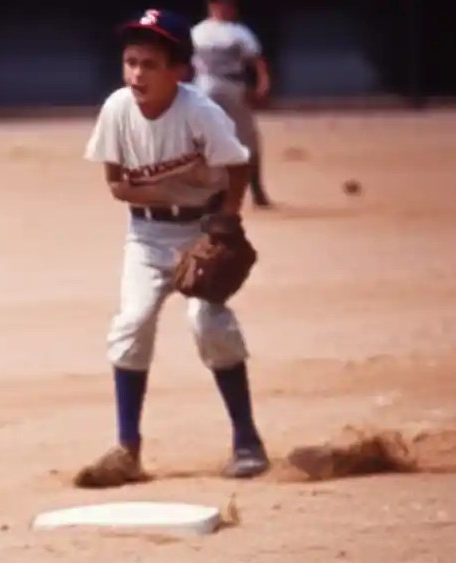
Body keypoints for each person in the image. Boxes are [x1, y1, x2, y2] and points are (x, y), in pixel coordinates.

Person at [76, 8, 270, 487]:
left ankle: (247, 440)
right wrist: (178, 190)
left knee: (208, 321)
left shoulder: (200, 112)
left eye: (150, 64)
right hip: (146, 236)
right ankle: (127, 450)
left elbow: (238, 165)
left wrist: (224, 224)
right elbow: (117, 185)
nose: (137, 73)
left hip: (201, 229)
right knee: (131, 322)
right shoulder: (117, 110)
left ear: (179, 70)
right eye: (131, 61)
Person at [191, 0, 274, 207]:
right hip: (206, 84)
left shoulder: (238, 32)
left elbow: (256, 60)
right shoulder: (198, 31)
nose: (224, 8)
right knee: (203, 138)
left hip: (233, 84)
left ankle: (257, 190)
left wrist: (263, 82)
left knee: (247, 138)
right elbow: (184, 63)